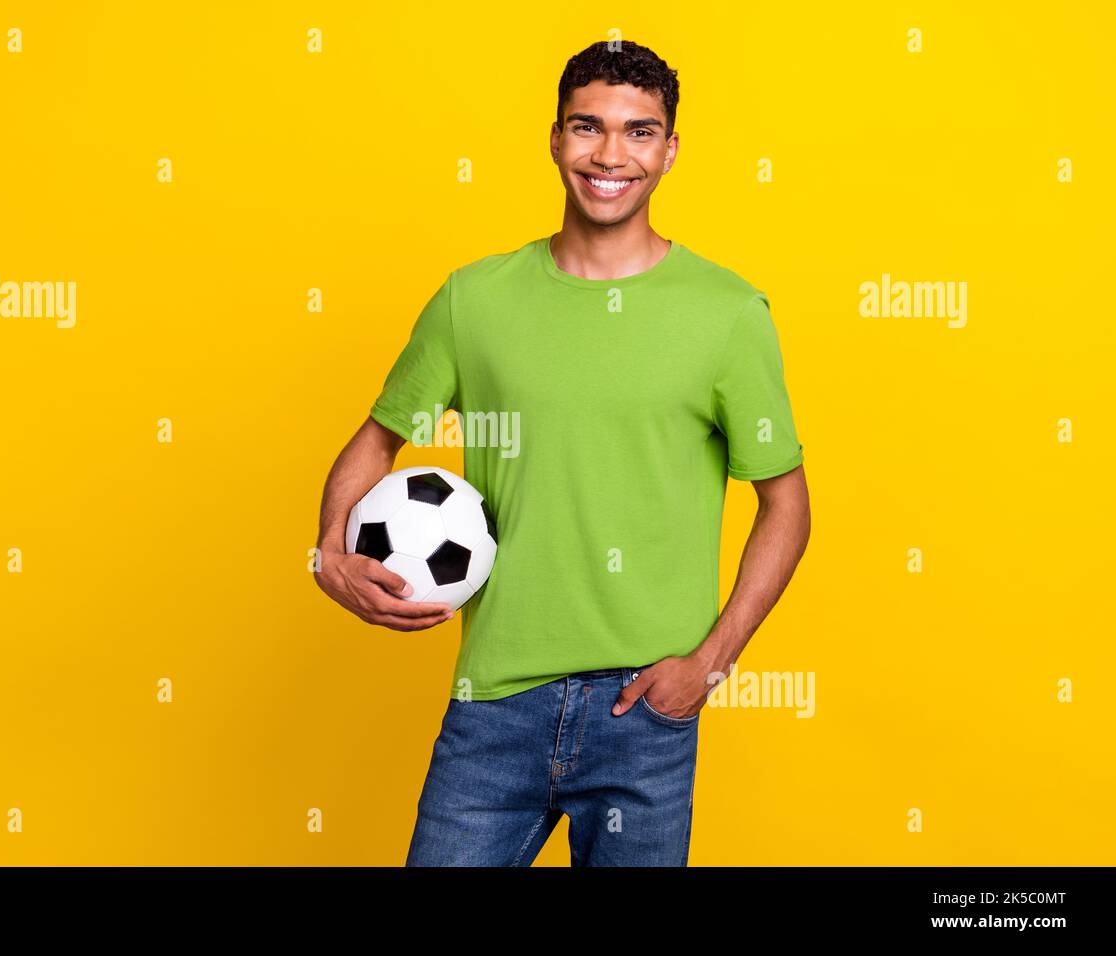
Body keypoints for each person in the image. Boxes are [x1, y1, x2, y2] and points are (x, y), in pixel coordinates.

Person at [313, 40, 811, 866]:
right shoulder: (475, 300)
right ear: (554, 139)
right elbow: (377, 439)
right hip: (494, 707)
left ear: (670, 149)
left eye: (639, 131)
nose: (611, 155)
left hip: (645, 712)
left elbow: (787, 504)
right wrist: (326, 553)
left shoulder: (728, 314)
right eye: (589, 127)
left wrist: (709, 666)